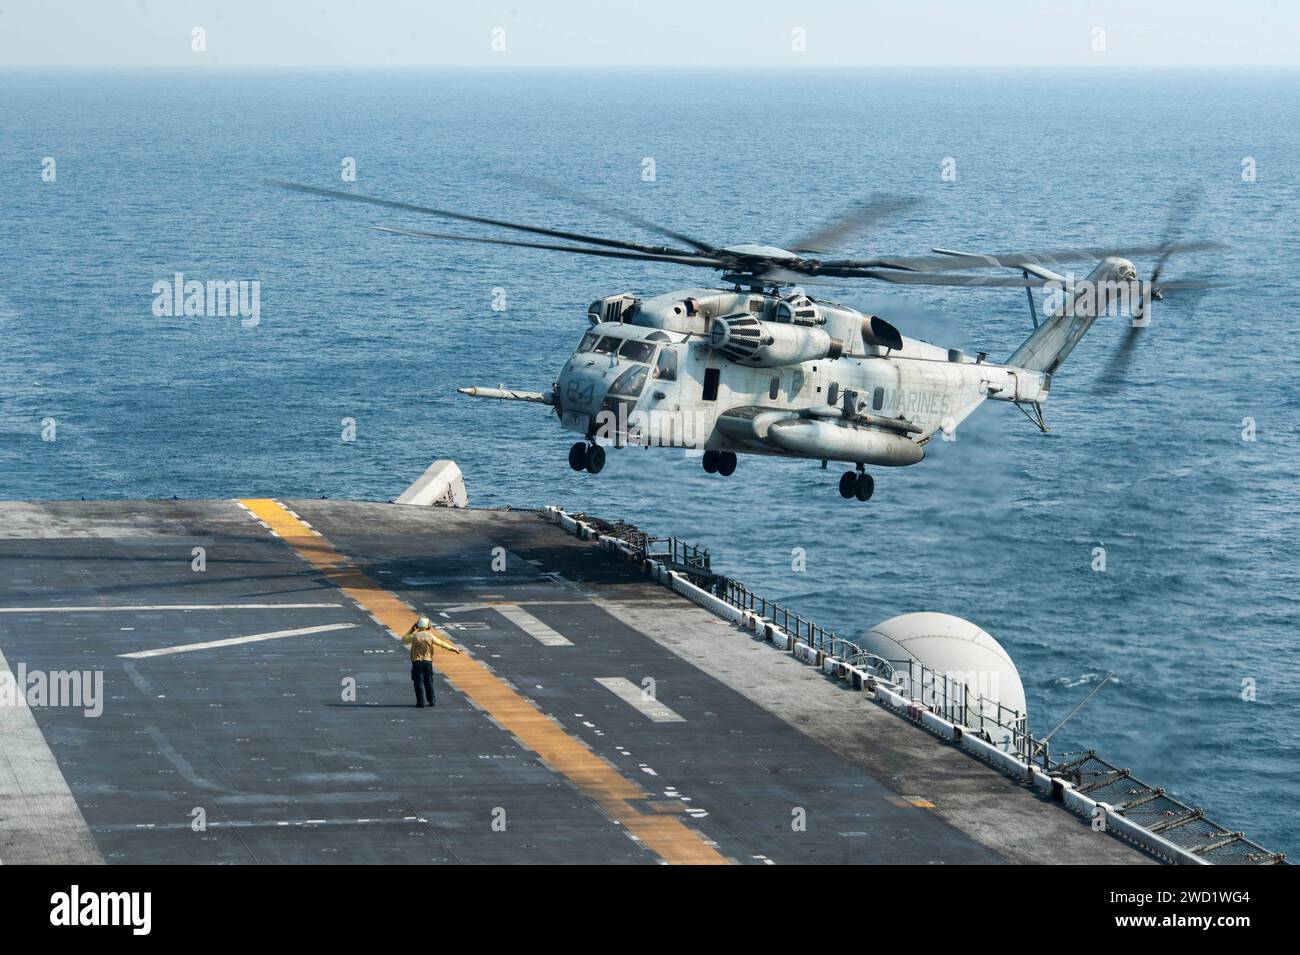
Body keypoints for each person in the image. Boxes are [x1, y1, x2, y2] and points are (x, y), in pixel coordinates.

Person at [400, 616, 463, 708]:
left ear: (418, 626)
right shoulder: (430, 636)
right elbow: (441, 643)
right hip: (428, 662)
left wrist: (412, 629)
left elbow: (404, 639)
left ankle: (421, 702)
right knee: (429, 681)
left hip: (417, 662)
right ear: (428, 626)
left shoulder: (414, 636)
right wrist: (453, 649)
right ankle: (431, 700)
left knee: (418, 682)